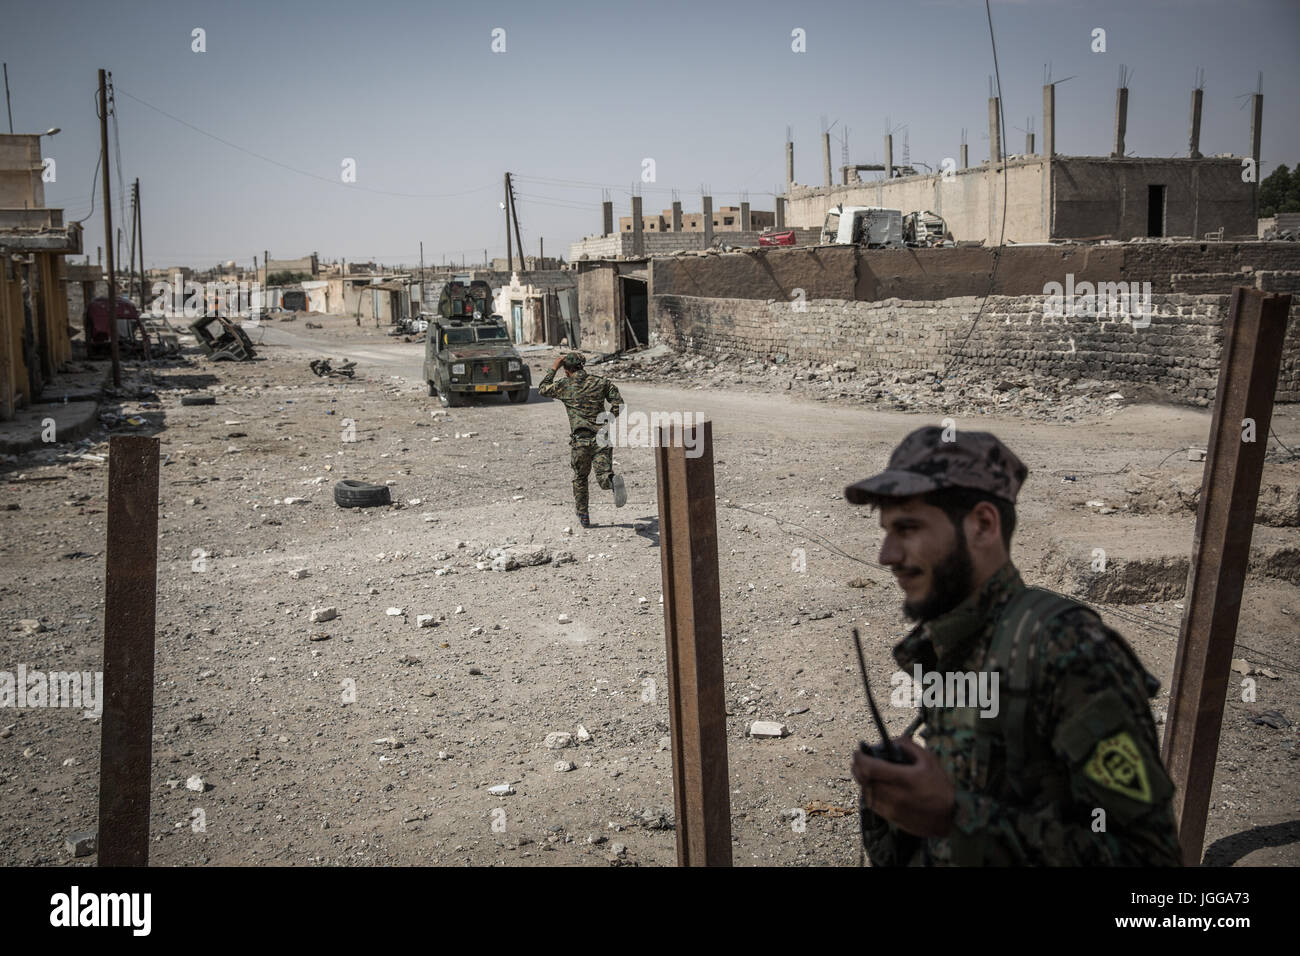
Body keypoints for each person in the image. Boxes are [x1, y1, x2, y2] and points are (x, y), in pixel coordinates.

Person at [844, 425, 1182, 866]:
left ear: (983, 525)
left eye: (907, 528)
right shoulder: (957, 641)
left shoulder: (1068, 651)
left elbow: (1148, 858)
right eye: (887, 531)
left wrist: (954, 817)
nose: (886, 555)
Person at [537, 351, 627, 527]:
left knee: (580, 477)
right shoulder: (600, 382)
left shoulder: (564, 385)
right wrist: (609, 418)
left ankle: (584, 515)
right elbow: (619, 403)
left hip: (580, 440)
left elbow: (542, 389)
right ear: (581, 366)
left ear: (566, 370)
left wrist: (553, 367)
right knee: (603, 474)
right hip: (602, 437)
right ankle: (612, 482)